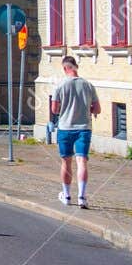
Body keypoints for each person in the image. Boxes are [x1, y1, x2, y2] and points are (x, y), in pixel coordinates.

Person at [49, 54, 99, 208]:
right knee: (82, 161)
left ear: (65, 68)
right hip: (84, 128)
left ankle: (67, 196)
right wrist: (88, 108)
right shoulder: (88, 85)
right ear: (76, 67)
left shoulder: (60, 85)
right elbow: (97, 109)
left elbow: (54, 109)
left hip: (65, 128)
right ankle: (82, 197)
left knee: (66, 162)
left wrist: (65, 108)